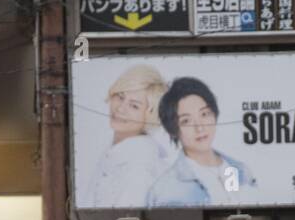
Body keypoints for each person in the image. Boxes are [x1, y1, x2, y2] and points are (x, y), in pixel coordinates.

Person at [146, 77, 256, 208]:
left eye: (204, 114)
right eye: (186, 121)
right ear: (173, 130)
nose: (200, 127)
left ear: (214, 114)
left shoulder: (241, 169)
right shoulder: (165, 190)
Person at [87, 64, 170, 207]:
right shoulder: (113, 152)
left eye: (134, 106)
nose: (120, 108)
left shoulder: (139, 169)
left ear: (150, 115)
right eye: (120, 97)